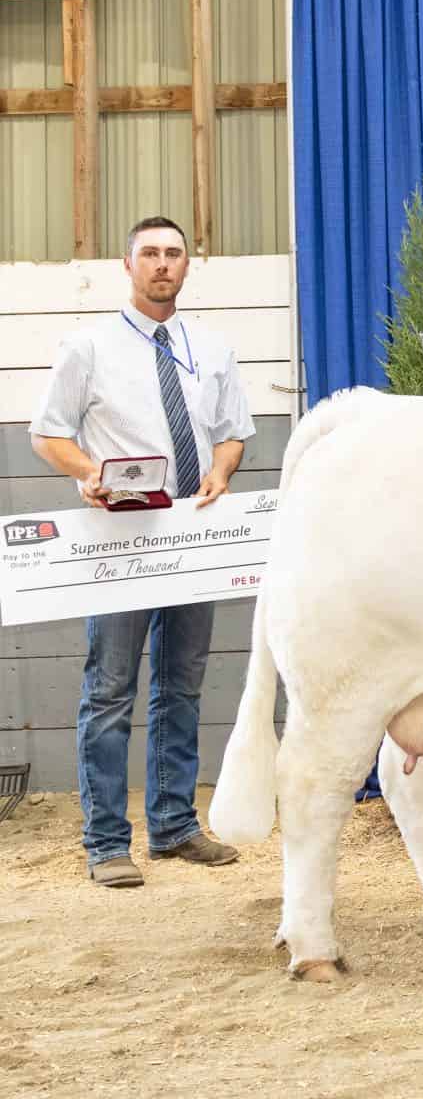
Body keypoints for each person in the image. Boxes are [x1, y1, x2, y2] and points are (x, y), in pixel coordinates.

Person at [29, 216, 255, 889]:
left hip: (194, 538)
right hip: (119, 541)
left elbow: (232, 431)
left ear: (188, 267)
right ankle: (105, 842)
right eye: (150, 254)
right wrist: (87, 472)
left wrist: (222, 469)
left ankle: (174, 825)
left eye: (174, 254)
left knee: (180, 686)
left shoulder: (212, 348)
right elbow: (48, 433)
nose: (163, 263)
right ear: (127, 266)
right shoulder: (88, 346)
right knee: (110, 690)